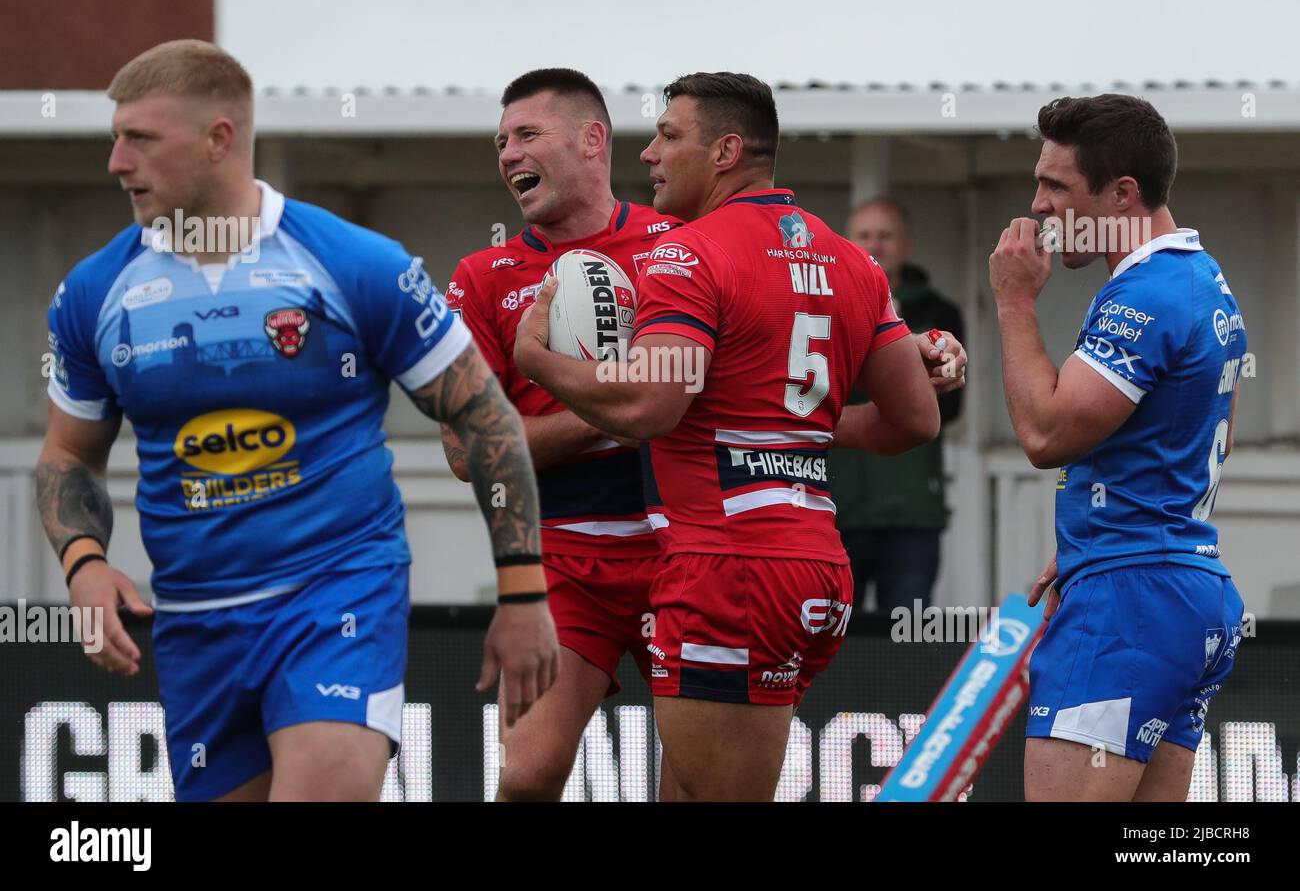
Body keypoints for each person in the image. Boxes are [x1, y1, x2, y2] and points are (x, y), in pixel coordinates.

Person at [36, 40, 558, 802]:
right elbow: (66, 457)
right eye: (115, 138)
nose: (117, 161)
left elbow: (487, 421)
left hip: (336, 601)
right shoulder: (93, 292)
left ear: (219, 139)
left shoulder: (354, 264)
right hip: (197, 627)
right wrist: (84, 563)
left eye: (140, 138)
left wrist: (522, 593)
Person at [514, 72, 964, 800]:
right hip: (816, 566)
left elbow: (651, 410)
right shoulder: (853, 261)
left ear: (725, 152)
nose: (649, 157)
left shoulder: (685, 256)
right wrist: (789, 435)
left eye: (667, 137)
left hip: (726, 571)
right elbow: (916, 419)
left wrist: (539, 361)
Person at [989, 93, 1247, 801]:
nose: (1039, 207)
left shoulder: (1146, 294)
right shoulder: (1203, 278)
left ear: (1122, 194)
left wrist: (1012, 303)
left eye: (1056, 186)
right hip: (1183, 588)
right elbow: (1183, 432)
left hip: (1129, 605)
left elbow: (1044, 434)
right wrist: (1104, 523)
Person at [440, 68, 681, 800]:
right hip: (565, 561)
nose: (509, 153)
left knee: (702, 785)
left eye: (527, 135)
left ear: (592, 140)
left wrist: (906, 348)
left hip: (686, 551)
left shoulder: (683, 243)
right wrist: (620, 412)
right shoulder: (483, 277)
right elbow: (464, 454)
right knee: (525, 775)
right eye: (501, 141)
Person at [831, 198, 965, 612]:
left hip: (911, 512)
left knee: (906, 641)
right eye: (865, 235)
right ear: (846, 244)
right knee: (831, 638)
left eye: (885, 236)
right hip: (839, 507)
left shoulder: (939, 312)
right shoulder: (826, 306)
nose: (876, 245)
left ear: (905, 243)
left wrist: (899, 337)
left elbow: (953, 405)